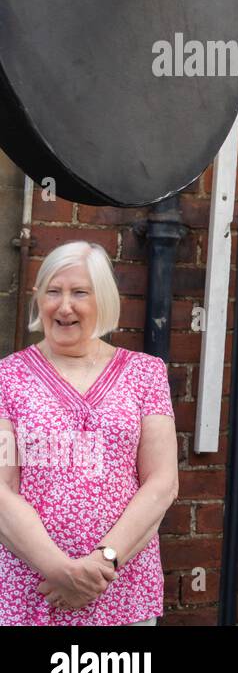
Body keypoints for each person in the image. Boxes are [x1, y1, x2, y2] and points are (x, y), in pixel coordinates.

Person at [0, 241, 178, 625]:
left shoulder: (145, 374)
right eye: (53, 291)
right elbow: (1, 488)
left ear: (104, 299)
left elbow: (162, 483)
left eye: (79, 292)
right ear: (38, 298)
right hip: (32, 590)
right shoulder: (7, 378)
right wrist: (60, 570)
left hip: (122, 588)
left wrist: (102, 562)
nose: (65, 306)